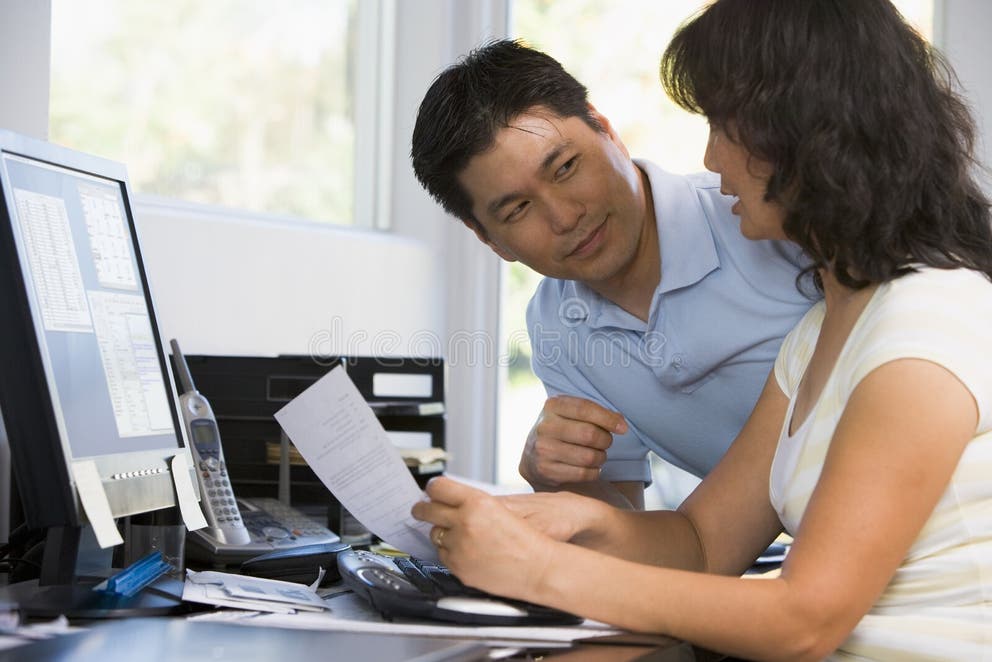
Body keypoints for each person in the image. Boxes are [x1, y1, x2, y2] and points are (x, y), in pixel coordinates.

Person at [412, 0, 992, 659]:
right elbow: (704, 541)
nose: (711, 160)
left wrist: (537, 567)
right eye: (517, 207)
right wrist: (573, 517)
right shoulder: (820, 331)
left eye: (725, 128)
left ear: (808, 134)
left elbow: (805, 620)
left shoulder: (927, 319)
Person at [411, 40, 814, 509]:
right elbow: (630, 534)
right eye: (518, 208)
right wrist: (558, 478)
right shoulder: (556, 324)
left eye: (565, 167)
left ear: (605, 129)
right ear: (488, 238)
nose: (564, 217)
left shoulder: (767, 221)